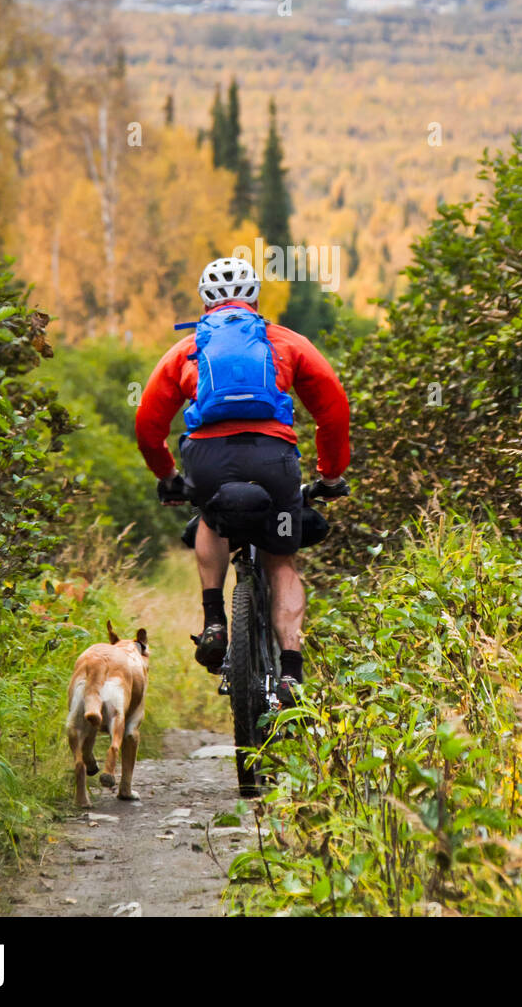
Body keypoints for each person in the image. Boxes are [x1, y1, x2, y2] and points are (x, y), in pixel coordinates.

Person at [135, 255, 350, 706]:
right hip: (274, 464)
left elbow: (147, 424)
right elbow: (333, 409)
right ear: (254, 297)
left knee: (211, 517)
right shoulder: (286, 342)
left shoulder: (188, 349)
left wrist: (169, 476)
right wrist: (330, 475)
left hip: (209, 462)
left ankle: (215, 620)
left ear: (204, 302)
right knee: (282, 558)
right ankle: (291, 672)